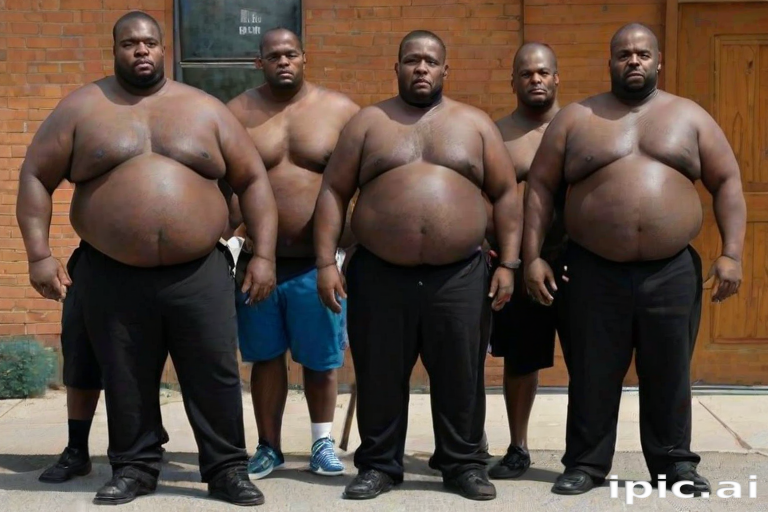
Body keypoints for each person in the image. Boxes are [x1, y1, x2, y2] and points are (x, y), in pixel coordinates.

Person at [16, 10, 278, 506]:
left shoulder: (205, 109)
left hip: (199, 268)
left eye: (150, 43)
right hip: (111, 270)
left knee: (215, 371)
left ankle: (226, 468)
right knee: (124, 372)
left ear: (164, 50)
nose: (141, 51)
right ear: (114, 50)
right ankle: (135, 467)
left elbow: (252, 180)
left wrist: (263, 254)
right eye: (130, 43)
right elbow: (35, 177)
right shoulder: (80, 109)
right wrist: (38, 255)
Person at [523, 23, 746, 497]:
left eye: (643, 54)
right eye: (624, 54)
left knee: (669, 370)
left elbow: (726, 181)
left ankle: (674, 465)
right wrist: (533, 256)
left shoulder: (690, 117)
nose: (634, 61)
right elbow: (540, 187)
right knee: (591, 370)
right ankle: (585, 463)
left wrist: (731, 253)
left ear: (658, 61)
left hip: (670, 269)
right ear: (610, 62)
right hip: (592, 268)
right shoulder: (577, 119)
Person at [313, 30, 522, 501]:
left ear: (446, 70)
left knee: (461, 373)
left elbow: (507, 193)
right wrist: (326, 260)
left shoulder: (474, 124)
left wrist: (508, 262)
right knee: (381, 372)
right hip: (380, 272)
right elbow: (333, 191)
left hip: (460, 273)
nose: (421, 68)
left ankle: (463, 463)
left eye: (430, 61)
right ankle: (379, 465)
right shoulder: (369, 123)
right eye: (412, 60)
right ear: (398, 68)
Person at [225, 27, 359, 479]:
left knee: (321, 359)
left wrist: (348, 247)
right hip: (257, 261)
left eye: (292, 54)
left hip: (316, 264)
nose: (284, 61)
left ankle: (322, 442)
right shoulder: (237, 112)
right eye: (274, 56)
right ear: (258, 63)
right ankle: (269, 446)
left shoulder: (340, 112)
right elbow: (222, 183)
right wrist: (225, 237)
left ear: (305, 58)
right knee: (264, 357)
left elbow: (369, 182)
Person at [485, 42, 568, 480]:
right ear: (513, 81)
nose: (535, 79)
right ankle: (518, 447)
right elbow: (485, 200)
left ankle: (585, 453)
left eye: (542, 72)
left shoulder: (580, 128)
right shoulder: (498, 135)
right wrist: (501, 256)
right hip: (517, 264)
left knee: (591, 359)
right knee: (521, 359)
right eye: (526, 73)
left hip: (576, 262)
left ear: (557, 77)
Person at [37, 241, 171, 485]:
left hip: (153, 267)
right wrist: (40, 256)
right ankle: (77, 449)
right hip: (94, 258)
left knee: (138, 358)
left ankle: (148, 435)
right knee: (80, 356)